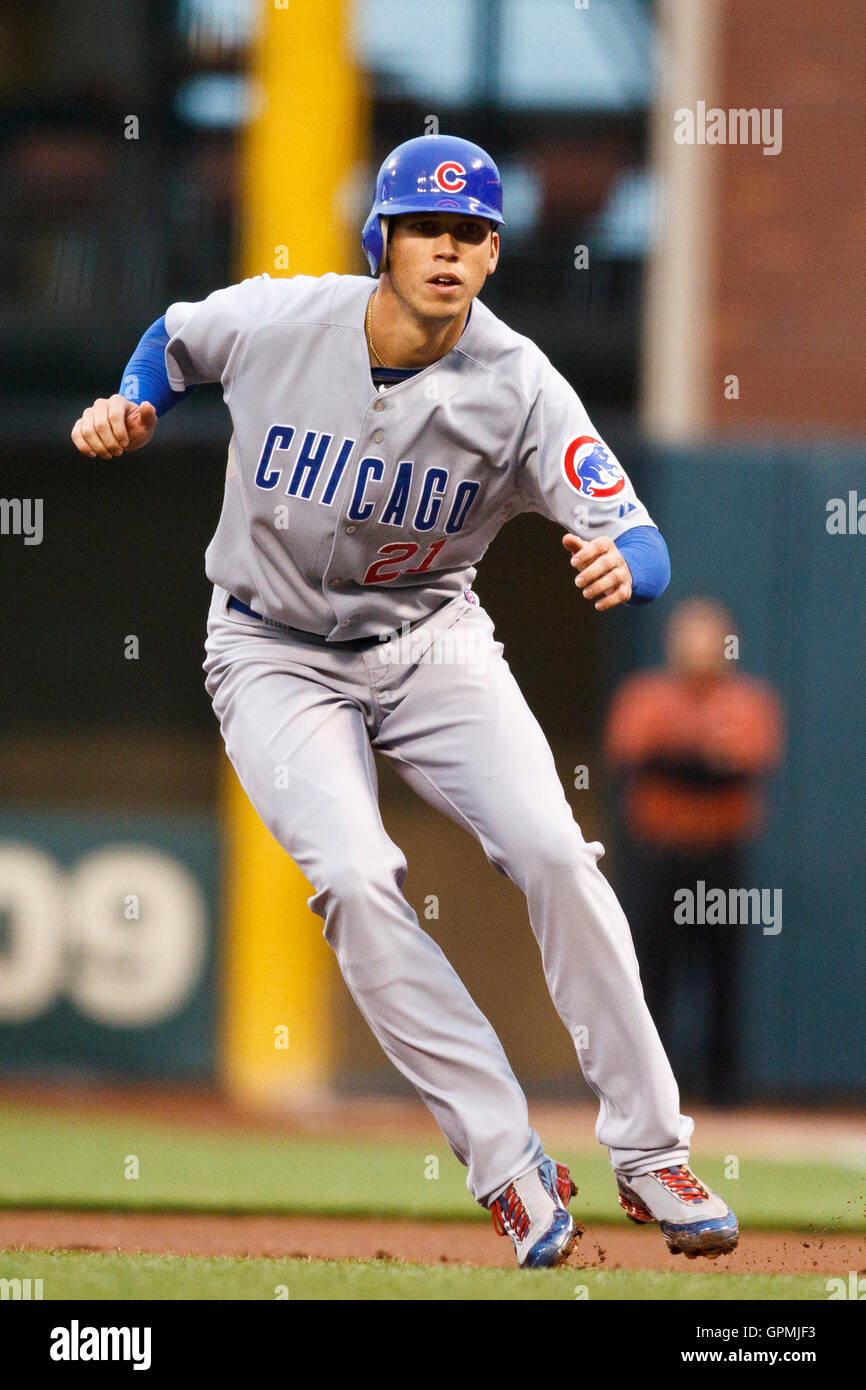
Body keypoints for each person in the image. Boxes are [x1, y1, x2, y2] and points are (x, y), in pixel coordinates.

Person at [70, 135, 738, 1268]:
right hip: (269, 647)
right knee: (356, 878)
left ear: (489, 254)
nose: (447, 248)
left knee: (552, 851)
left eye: (469, 232)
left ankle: (651, 1150)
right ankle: (507, 1165)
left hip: (431, 644)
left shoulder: (518, 381)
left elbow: (638, 531)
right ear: (381, 240)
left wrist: (630, 563)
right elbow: (172, 340)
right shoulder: (286, 320)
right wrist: (132, 402)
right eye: (425, 227)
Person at [604, 597, 785, 1106]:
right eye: (688, 635)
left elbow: (742, 768)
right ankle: (647, 1094)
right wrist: (698, 764)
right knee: (649, 977)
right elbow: (636, 759)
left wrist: (683, 763)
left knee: (722, 979)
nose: (698, 647)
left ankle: (724, 1095)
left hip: (720, 859)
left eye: (708, 637)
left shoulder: (749, 700)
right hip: (658, 858)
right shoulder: (645, 695)